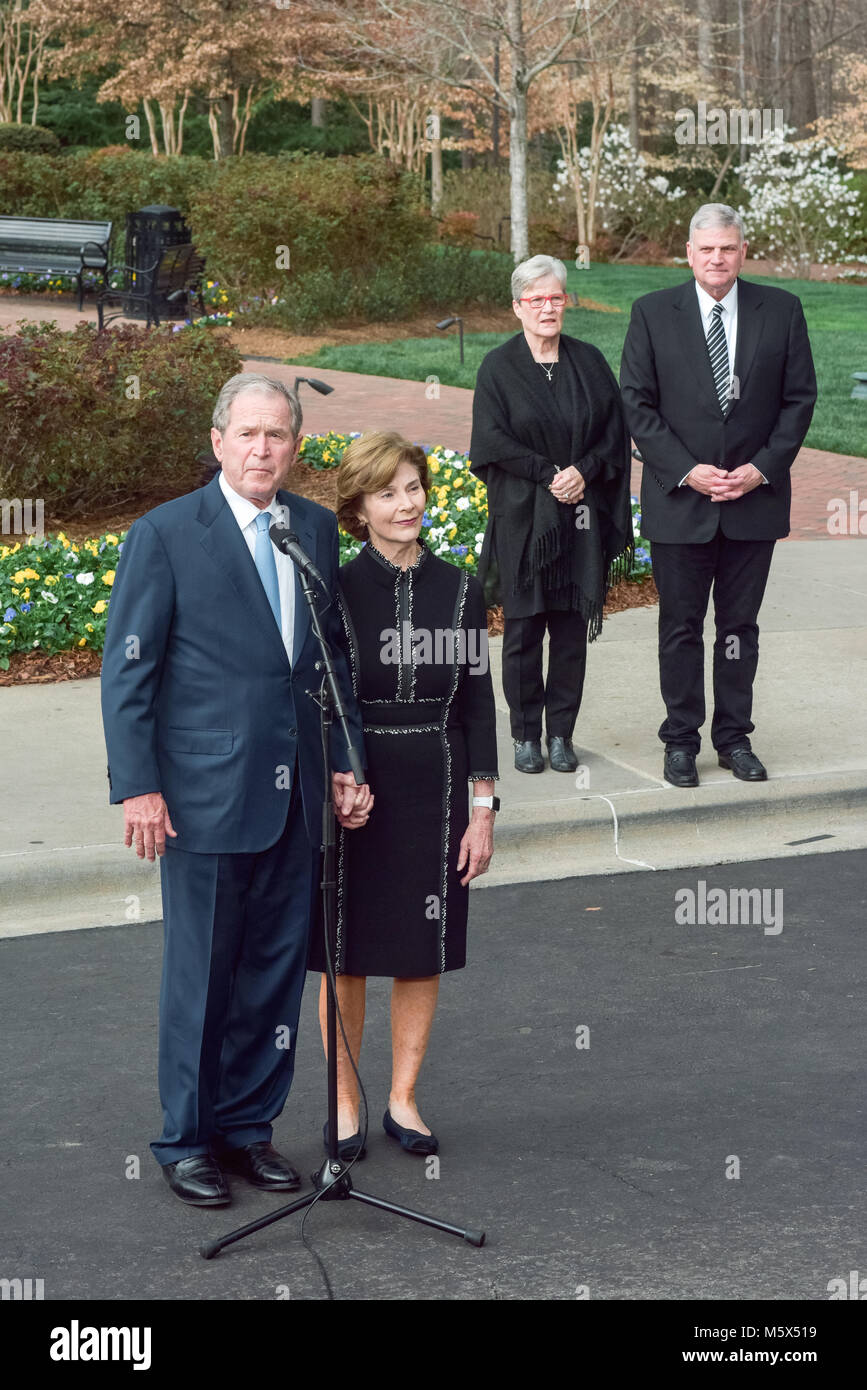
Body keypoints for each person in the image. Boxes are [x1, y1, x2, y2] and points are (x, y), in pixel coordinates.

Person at [100, 373, 370, 1207]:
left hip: (297, 801)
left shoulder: (313, 531)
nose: (262, 449)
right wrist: (138, 787)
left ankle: (249, 1130)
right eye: (247, 434)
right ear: (217, 442)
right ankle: (186, 1141)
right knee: (202, 978)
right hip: (203, 797)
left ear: (295, 446)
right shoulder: (168, 534)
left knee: (272, 975)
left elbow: (332, 661)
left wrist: (347, 762)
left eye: (277, 435)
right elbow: (128, 672)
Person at [307, 430, 499, 1158]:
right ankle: (346, 1101)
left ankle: (403, 1098)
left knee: (421, 950)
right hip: (355, 786)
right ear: (357, 507)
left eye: (413, 487)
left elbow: (478, 705)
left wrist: (483, 810)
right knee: (345, 953)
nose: (405, 503)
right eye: (386, 492)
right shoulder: (334, 590)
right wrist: (335, 774)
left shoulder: (459, 589)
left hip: (439, 781)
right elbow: (320, 697)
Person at [619, 204, 817, 786]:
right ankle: (680, 740)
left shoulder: (780, 310)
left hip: (753, 503)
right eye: (706, 248)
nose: (717, 258)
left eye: (727, 248)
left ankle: (734, 738)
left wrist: (761, 469)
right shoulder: (653, 313)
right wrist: (686, 470)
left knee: (738, 630)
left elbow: (799, 400)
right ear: (689, 253)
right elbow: (637, 401)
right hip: (680, 502)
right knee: (680, 627)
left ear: (742, 252)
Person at [469, 253, 634, 775]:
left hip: (580, 521)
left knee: (569, 632)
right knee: (521, 635)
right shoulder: (498, 367)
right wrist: (548, 474)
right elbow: (491, 442)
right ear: (517, 307)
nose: (547, 307)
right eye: (536, 299)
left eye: (555, 297)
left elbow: (614, 435)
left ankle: (561, 734)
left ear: (566, 302)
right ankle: (524, 736)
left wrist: (582, 472)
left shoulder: (588, 362)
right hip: (524, 523)